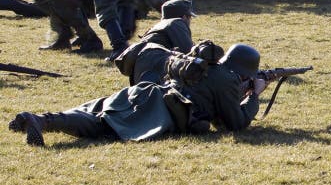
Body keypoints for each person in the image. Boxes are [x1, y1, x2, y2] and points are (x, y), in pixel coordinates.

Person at [8, 43, 268, 146]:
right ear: (246, 71)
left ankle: (40, 119)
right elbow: (235, 123)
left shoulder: (204, 66)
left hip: (147, 90)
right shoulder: (226, 80)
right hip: (160, 111)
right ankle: (41, 122)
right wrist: (254, 95)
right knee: (101, 125)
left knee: (96, 108)